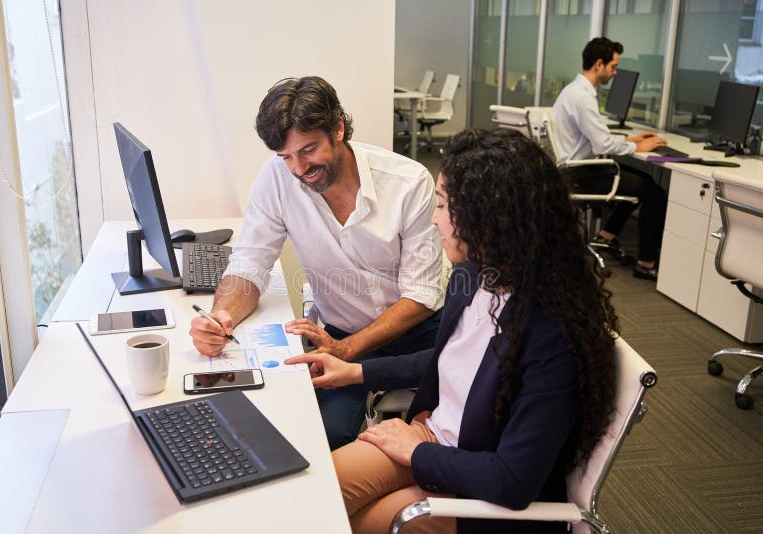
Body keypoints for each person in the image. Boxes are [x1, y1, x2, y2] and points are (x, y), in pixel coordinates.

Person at [286, 128, 619, 533]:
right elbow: (448, 359)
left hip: (480, 489)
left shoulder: (551, 334)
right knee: (306, 497)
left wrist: (418, 451)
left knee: (345, 523)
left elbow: (513, 481)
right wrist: (355, 372)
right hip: (434, 439)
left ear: (488, 218)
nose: (434, 219)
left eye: (443, 205)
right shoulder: (474, 277)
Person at [189, 76, 444, 450]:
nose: (297, 168)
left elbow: (421, 296)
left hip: (420, 332)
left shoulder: (408, 182)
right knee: (320, 435)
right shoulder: (277, 179)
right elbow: (250, 264)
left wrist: (349, 349)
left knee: (453, 428)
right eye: (286, 157)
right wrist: (222, 316)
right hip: (340, 335)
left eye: (308, 150)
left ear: (338, 128)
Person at [552, 37, 668, 280]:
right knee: (654, 193)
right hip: (580, 174)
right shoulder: (583, 97)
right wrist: (638, 147)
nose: (615, 72)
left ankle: (606, 236)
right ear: (598, 64)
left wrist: (633, 140)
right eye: (613, 66)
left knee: (642, 180)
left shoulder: (575, 90)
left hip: (574, 168)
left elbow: (596, 135)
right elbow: (602, 143)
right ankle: (646, 264)